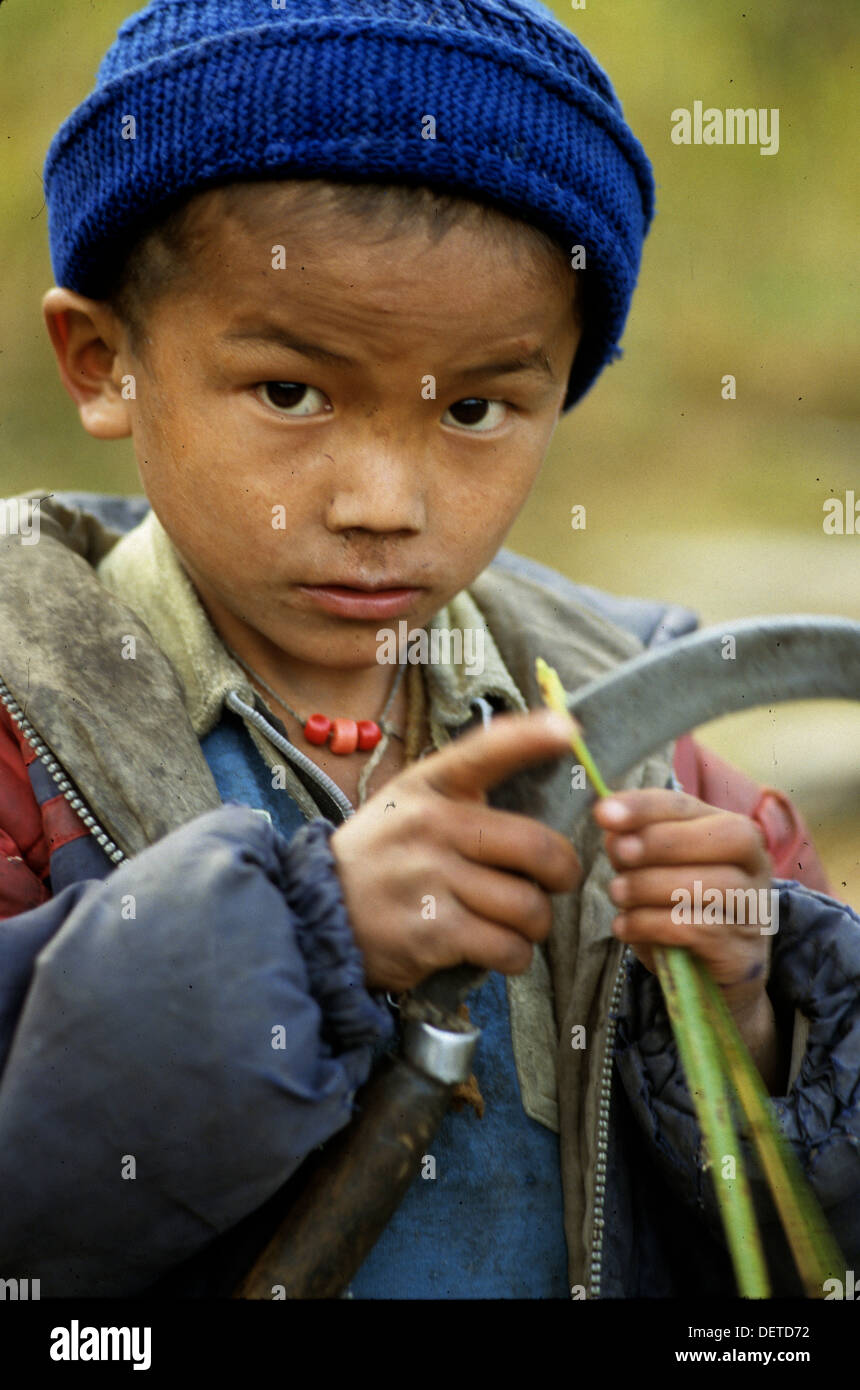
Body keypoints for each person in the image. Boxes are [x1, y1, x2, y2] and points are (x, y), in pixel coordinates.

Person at [0, 0, 855, 1300]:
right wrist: (303, 941)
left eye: (474, 408)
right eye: (291, 390)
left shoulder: (638, 734)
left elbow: (805, 1251)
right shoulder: (25, 713)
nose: (384, 501)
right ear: (105, 358)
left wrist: (749, 1013)